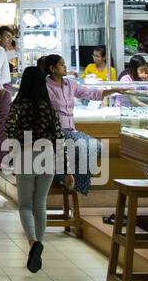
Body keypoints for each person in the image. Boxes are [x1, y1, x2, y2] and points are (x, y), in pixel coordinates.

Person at [4, 65, 70, 273]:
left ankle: (33, 243)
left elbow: (9, 127)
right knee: (40, 204)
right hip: (48, 153)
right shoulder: (47, 107)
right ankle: (39, 244)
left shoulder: (18, 105)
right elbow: (59, 136)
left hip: (25, 152)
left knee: (25, 205)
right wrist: (65, 168)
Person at [38, 53, 105, 197]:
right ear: (52, 68)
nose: (65, 67)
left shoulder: (70, 84)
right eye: (62, 64)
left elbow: (90, 94)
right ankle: (71, 181)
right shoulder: (44, 86)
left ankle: (69, 178)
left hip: (71, 130)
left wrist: (112, 91)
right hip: (55, 131)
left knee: (98, 146)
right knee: (82, 146)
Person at [0, 25, 17, 175]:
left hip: (3, 86)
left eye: (10, 37)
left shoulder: (1, 51)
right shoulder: (0, 51)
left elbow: (16, 52)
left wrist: (16, 39)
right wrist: (0, 87)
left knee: (2, 123)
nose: (9, 39)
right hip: (4, 87)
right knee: (2, 124)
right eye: (6, 36)